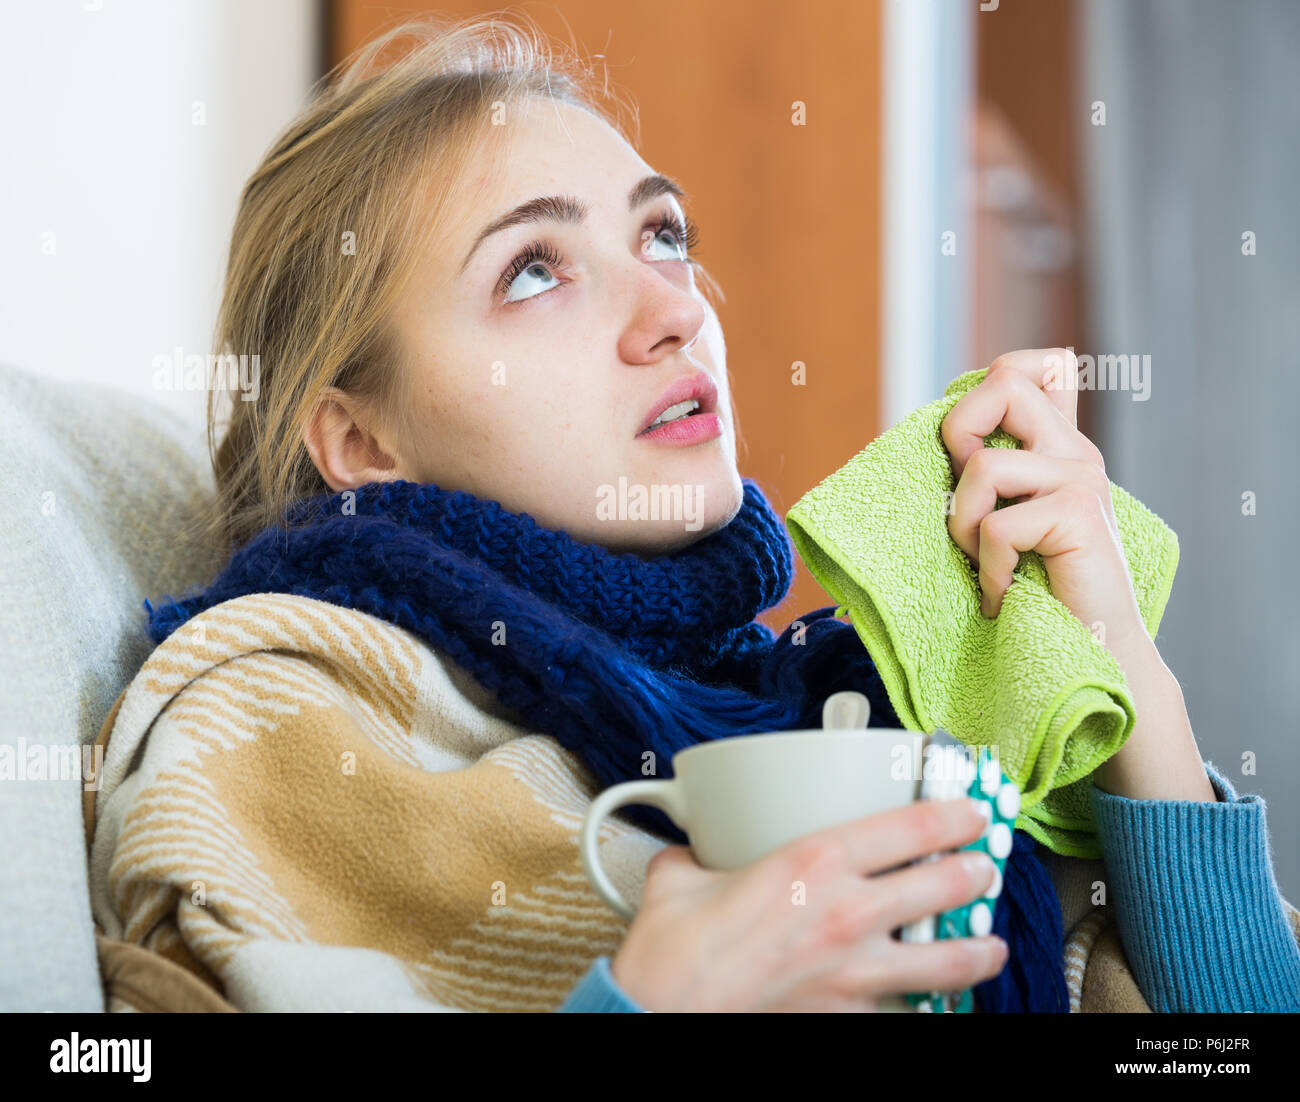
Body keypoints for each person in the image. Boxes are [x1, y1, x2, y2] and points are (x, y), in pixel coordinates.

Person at [85, 13, 1300, 1014]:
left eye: (661, 234)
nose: (674, 310)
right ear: (361, 442)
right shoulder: (278, 710)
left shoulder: (825, 696)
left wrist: (1121, 664)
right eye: (533, 270)